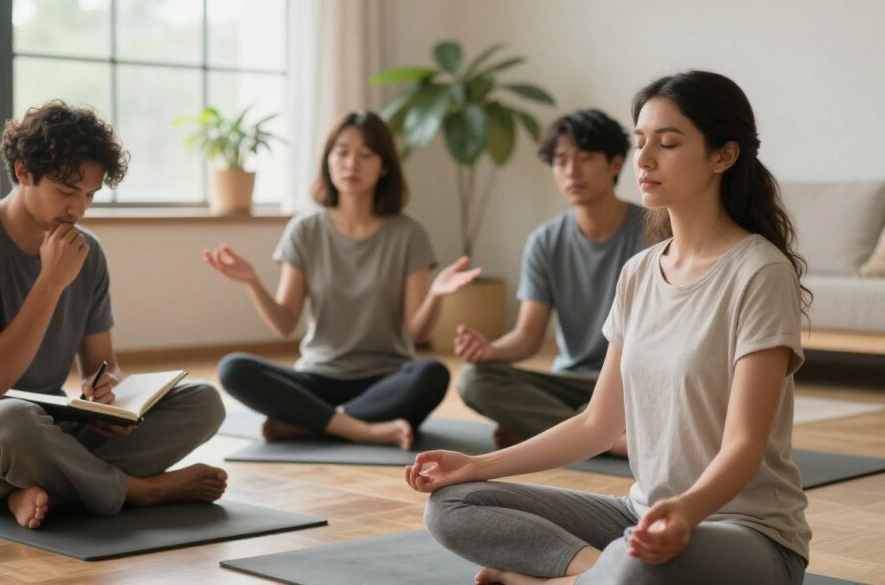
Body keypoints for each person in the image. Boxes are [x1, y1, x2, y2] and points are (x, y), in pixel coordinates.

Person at [405, 71, 812, 585]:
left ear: (723, 156)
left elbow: (744, 445)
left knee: (643, 563)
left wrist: (684, 513)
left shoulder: (759, 272)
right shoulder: (639, 272)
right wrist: (476, 466)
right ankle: (595, 575)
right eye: (641, 141)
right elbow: (597, 424)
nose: (643, 160)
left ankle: (560, 579)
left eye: (667, 143)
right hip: (642, 519)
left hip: (747, 533)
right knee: (452, 505)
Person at [0, 101, 228, 530]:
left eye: (90, 194)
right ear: (23, 171)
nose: (78, 209)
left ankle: (51, 491)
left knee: (203, 402)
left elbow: (102, 363)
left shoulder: (88, 253)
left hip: (52, 430)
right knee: (12, 420)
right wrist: (50, 282)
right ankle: (136, 490)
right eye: (66, 190)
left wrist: (104, 395)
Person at [208, 111, 480, 450]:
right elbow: (284, 323)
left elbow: (417, 332)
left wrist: (437, 295)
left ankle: (313, 424)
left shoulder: (409, 234)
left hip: (385, 381)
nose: (352, 163)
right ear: (328, 161)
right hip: (316, 379)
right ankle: (360, 428)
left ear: (384, 166)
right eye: (342, 152)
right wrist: (253, 282)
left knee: (432, 375)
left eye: (366, 154)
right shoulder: (305, 230)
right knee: (233, 369)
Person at [455, 109, 645, 451]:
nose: (571, 171)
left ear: (616, 164)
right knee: (475, 380)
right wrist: (491, 350)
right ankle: (609, 441)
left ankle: (560, 429)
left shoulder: (653, 231)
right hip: (571, 380)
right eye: (560, 161)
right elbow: (528, 337)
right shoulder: (545, 241)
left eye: (584, 158)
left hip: (631, 380)